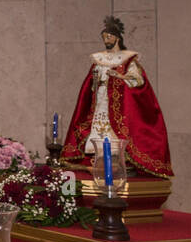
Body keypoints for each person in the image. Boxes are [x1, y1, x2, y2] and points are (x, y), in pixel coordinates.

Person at [60, 16, 173, 177]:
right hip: (100, 100)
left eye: (109, 37)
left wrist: (119, 77)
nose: (106, 40)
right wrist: (95, 82)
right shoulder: (99, 60)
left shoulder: (128, 60)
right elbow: (90, 85)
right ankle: (98, 158)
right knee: (97, 126)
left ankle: (117, 160)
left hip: (118, 104)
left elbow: (137, 80)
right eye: (104, 37)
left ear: (117, 38)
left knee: (116, 131)